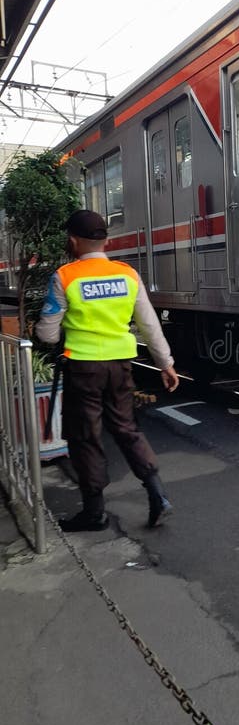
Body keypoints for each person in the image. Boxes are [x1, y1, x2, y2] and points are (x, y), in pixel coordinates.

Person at [35, 209, 180, 532]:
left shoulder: (65, 276)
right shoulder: (128, 274)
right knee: (127, 429)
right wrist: (165, 364)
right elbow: (149, 323)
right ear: (106, 241)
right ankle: (158, 496)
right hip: (120, 367)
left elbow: (47, 334)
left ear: (72, 240)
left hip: (84, 369)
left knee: (85, 436)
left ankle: (94, 512)